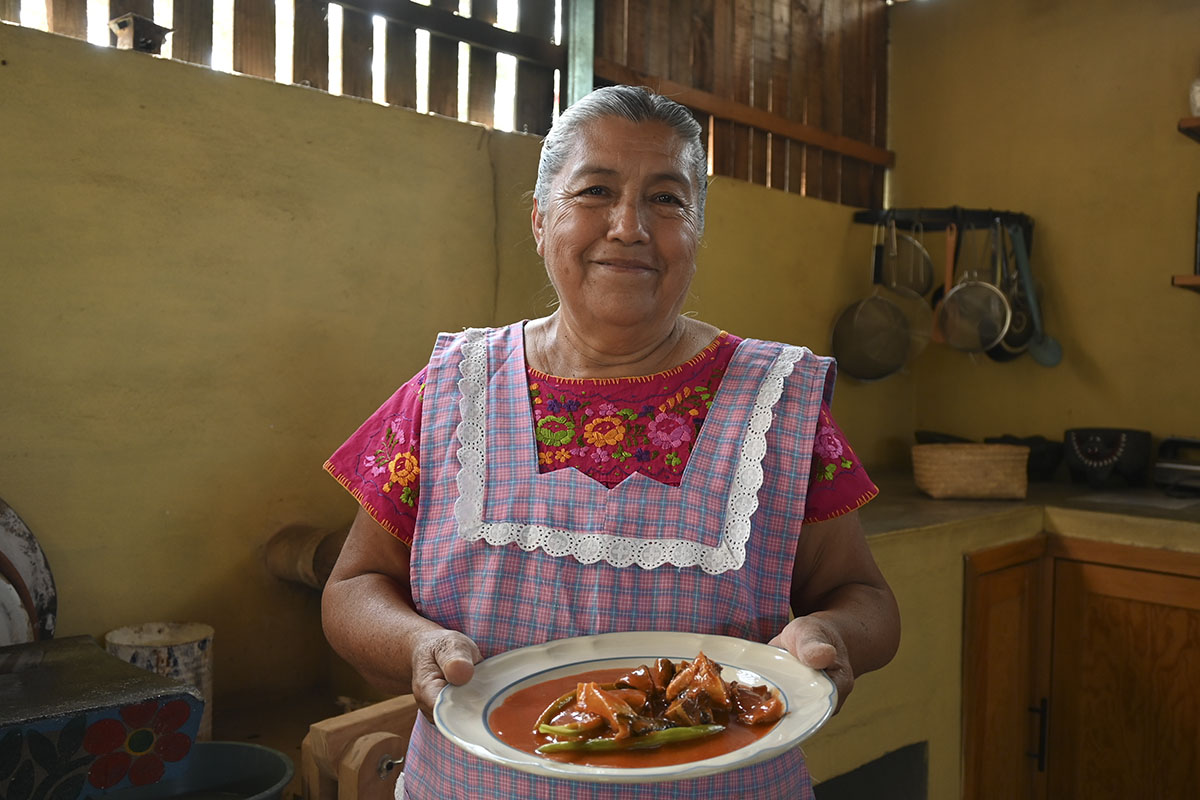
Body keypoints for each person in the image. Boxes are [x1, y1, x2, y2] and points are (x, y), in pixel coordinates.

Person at [321, 84, 900, 799]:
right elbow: (352, 587)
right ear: (539, 221)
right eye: (595, 190)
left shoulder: (780, 403)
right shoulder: (448, 391)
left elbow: (863, 596)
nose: (628, 226)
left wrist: (835, 639)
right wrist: (417, 645)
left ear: (696, 233)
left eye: (667, 199)